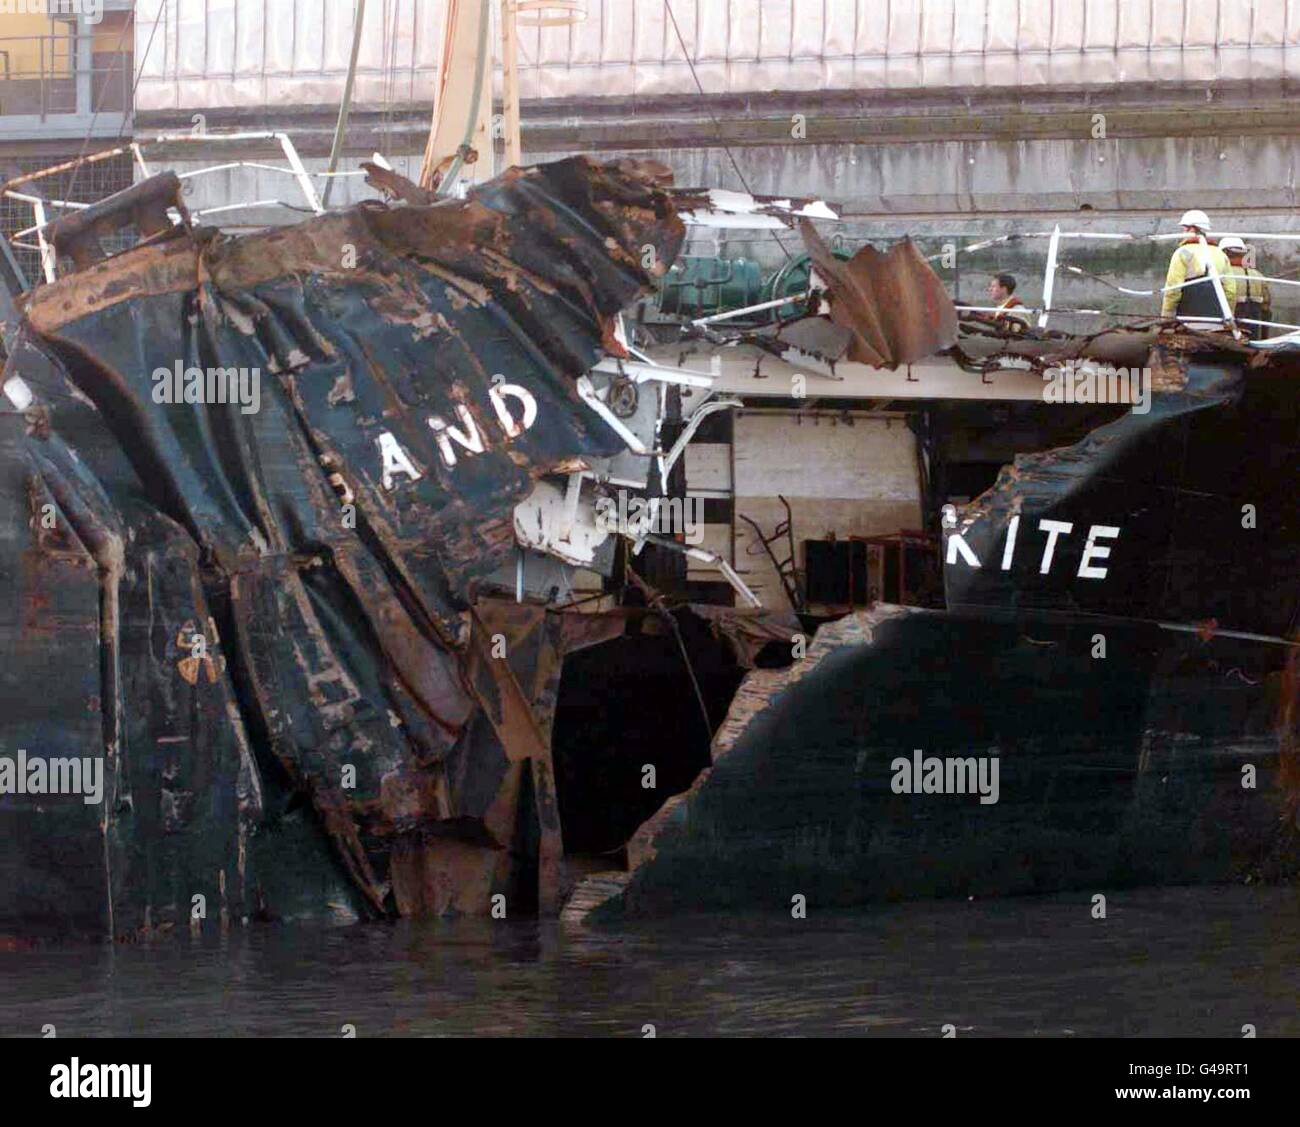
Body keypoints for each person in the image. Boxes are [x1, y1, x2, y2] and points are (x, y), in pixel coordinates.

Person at [1161, 209, 1236, 325]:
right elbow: (1231, 291)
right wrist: (1228, 316)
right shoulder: (1221, 254)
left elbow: (1173, 289)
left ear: (1191, 228)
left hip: (1188, 318)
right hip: (1216, 318)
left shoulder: (1182, 252)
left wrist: (1166, 316)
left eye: (1184, 228)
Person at [1219, 236, 1271, 337]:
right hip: (1253, 325)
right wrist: (1265, 336)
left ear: (1224, 253)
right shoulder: (1258, 275)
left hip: (1230, 326)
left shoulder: (1222, 275)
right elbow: (1266, 307)